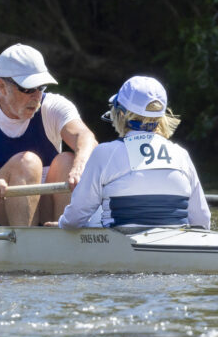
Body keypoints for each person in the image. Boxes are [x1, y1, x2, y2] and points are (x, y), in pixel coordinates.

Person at [0, 43, 97, 226]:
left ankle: (61, 244)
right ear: (1, 86)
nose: (36, 97)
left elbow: (85, 137)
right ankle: (29, 246)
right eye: (28, 89)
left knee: (68, 160)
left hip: (40, 211)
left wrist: (79, 167)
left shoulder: (53, 106)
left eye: (41, 87)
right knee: (27, 163)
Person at [52, 76, 210, 229]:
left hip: (119, 244)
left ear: (121, 113)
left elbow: (75, 218)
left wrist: (61, 225)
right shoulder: (181, 154)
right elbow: (202, 220)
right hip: (174, 242)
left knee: (94, 209)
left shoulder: (105, 153)